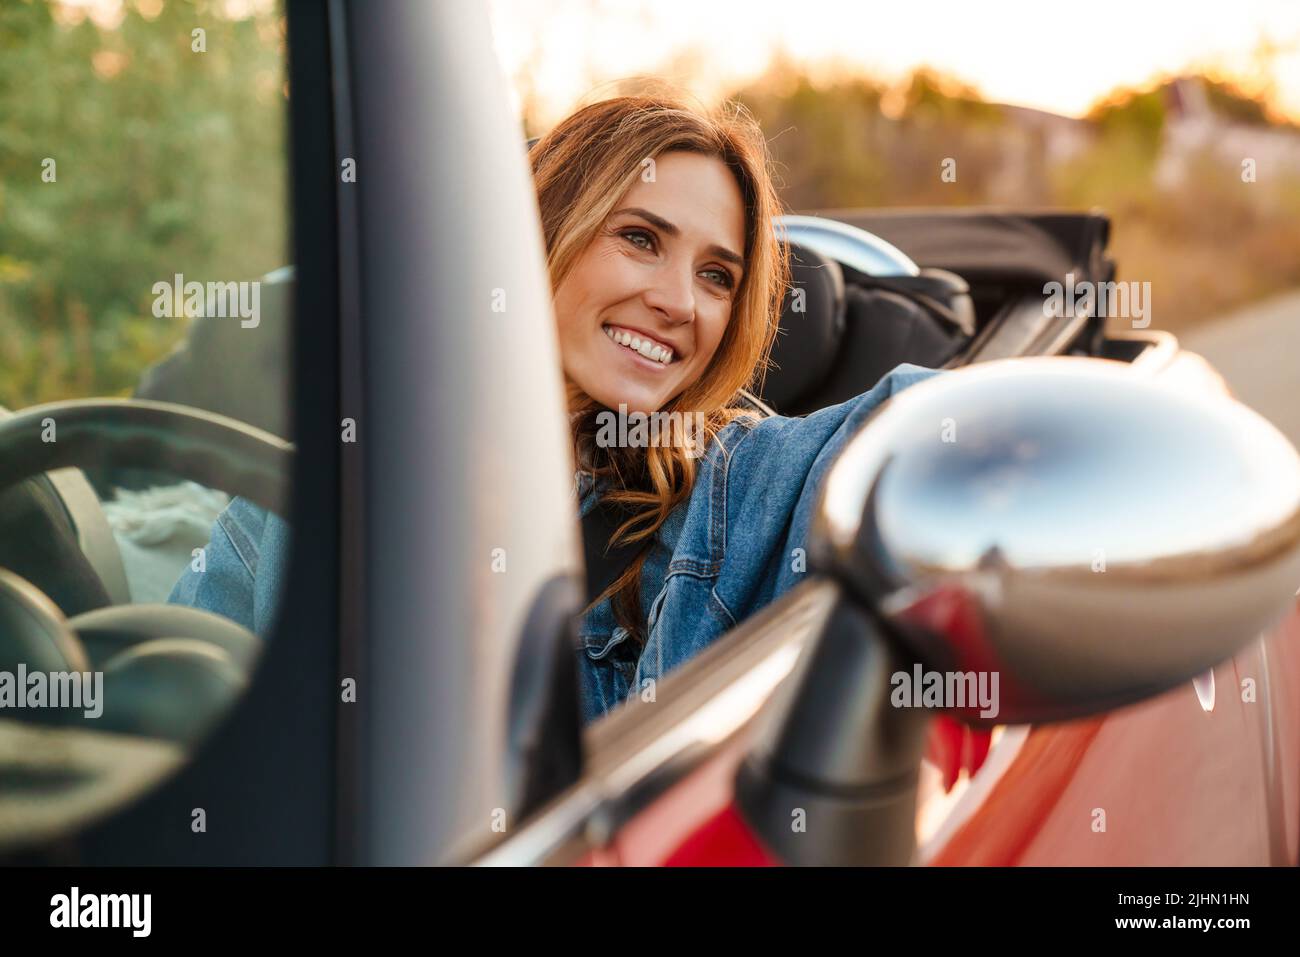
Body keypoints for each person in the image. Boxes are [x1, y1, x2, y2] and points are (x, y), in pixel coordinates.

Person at [169, 91, 940, 724]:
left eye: (716, 276)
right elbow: (173, 722)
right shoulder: (313, 490)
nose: (678, 302)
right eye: (640, 238)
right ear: (535, 235)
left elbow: (932, 430)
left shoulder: (734, 487)